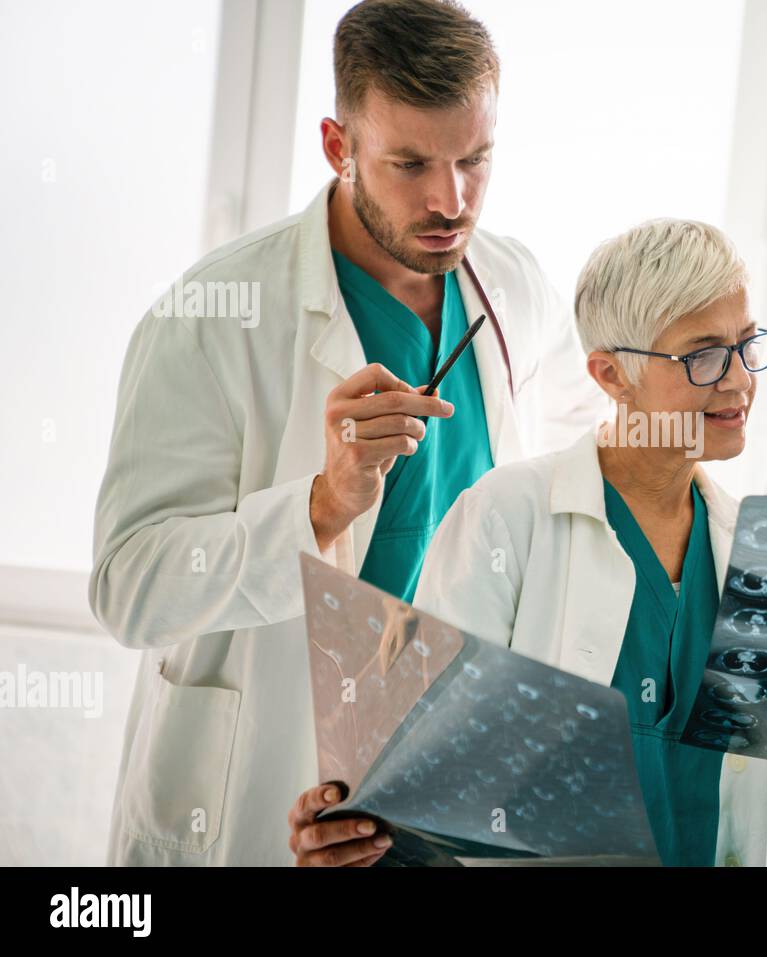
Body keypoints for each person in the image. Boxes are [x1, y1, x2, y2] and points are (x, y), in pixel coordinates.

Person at [91, 0, 603, 866]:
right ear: (338, 146)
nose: (451, 200)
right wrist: (321, 507)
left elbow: (575, 484)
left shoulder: (515, 287)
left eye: (475, 159)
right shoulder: (210, 319)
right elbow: (127, 588)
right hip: (270, 781)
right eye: (409, 163)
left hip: (446, 791)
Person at [288, 219, 767, 867]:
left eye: (749, 345)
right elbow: (431, 773)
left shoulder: (746, 539)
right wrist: (349, 830)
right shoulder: (507, 517)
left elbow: (719, 762)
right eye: (705, 355)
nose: (740, 380)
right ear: (610, 374)